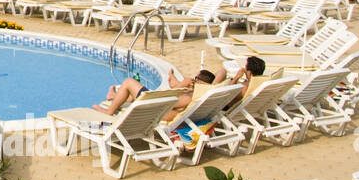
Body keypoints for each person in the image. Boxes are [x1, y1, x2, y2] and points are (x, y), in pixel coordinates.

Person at [93, 55, 266, 119]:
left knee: (129, 82)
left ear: (248, 72)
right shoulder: (248, 87)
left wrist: (179, 88)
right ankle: (114, 97)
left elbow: (172, 103)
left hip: (159, 109)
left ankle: (110, 108)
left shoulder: (238, 88)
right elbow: (221, 72)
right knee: (131, 92)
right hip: (178, 108)